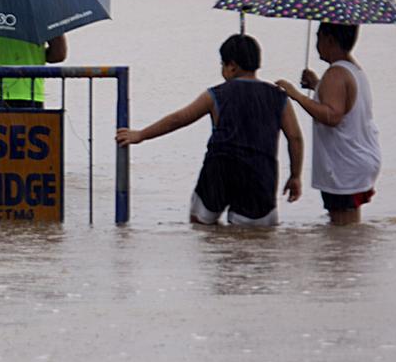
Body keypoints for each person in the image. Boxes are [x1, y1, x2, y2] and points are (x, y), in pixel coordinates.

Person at [116, 34, 303, 226]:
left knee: (201, 223)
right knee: (253, 239)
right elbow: (295, 137)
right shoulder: (279, 97)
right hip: (260, 174)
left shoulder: (217, 94)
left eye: (222, 64)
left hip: (220, 169)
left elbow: (178, 119)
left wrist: (141, 135)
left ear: (231, 66)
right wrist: (295, 175)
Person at [276, 22, 380, 226]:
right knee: (348, 228)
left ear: (329, 39)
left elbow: (332, 116)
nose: (317, 43)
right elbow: (341, 101)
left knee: (343, 227)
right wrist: (316, 85)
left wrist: (296, 95)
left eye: (318, 37)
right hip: (359, 157)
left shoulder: (336, 74)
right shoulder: (352, 69)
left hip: (345, 164)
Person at [0, 34, 67, 109]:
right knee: (28, 141)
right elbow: (59, 54)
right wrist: (37, 56)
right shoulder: (41, 10)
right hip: (30, 91)